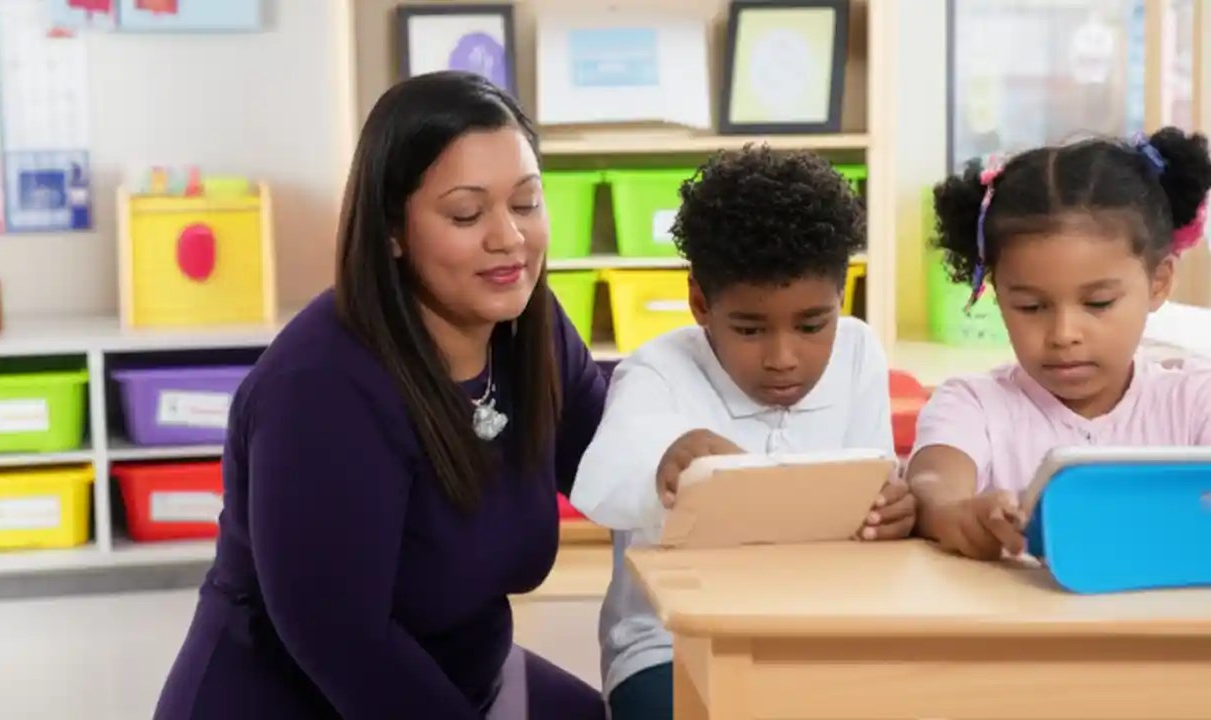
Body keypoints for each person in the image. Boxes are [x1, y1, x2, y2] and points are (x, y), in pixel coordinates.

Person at [153, 71, 608, 719]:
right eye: (466, 213)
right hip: (307, 701)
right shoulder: (321, 390)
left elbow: (616, 459)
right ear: (392, 231)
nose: (509, 237)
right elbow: (344, 645)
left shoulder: (528, 327)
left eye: (527, 203)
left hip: (465, 674)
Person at [569, 147, 911, 720]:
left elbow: (873, 502)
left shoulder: (858, 355)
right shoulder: (658, 371)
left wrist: (894, 510)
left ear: (843, 296)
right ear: (700, 303)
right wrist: (663, 464)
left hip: (819, 637)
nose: (783, 358)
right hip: (670, 649)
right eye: (749, 328)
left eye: (811, 325)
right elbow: (599, 490)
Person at [909, 127, 1211, 561]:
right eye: (1031, 306)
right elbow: (932, 480)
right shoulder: (973, 405)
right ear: (998, 291)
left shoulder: (1194, 400)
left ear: (1158, 282)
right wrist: (952, 512)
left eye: (1098, 302)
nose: (1063, 333)